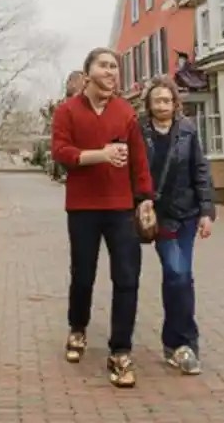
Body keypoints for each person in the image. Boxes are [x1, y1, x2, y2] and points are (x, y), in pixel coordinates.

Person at [49, 48, 154, 388]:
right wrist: (101, 155)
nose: (111, 72)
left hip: (121, 207)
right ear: (88, 72)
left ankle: (120, 351)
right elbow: (61, 153)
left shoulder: (125, 113)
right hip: (82, 208)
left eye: (114, 67)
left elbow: (139, 161)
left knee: (127, 278)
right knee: (83, 275)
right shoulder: (67, 111)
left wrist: (145, 199)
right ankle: (77, 328)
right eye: (104, 66)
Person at [140, 76, 214, 375]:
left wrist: (207, 211)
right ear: (149, 104)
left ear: (175, 103)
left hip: (186, 213)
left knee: (179, 274)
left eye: (167, 100)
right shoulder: (139, 132)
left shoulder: (187, 131)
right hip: (158, 214)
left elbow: (201, 170)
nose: (162, 105)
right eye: (157, 100)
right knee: (177, 273)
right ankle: (180, 344)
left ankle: (181, 345)